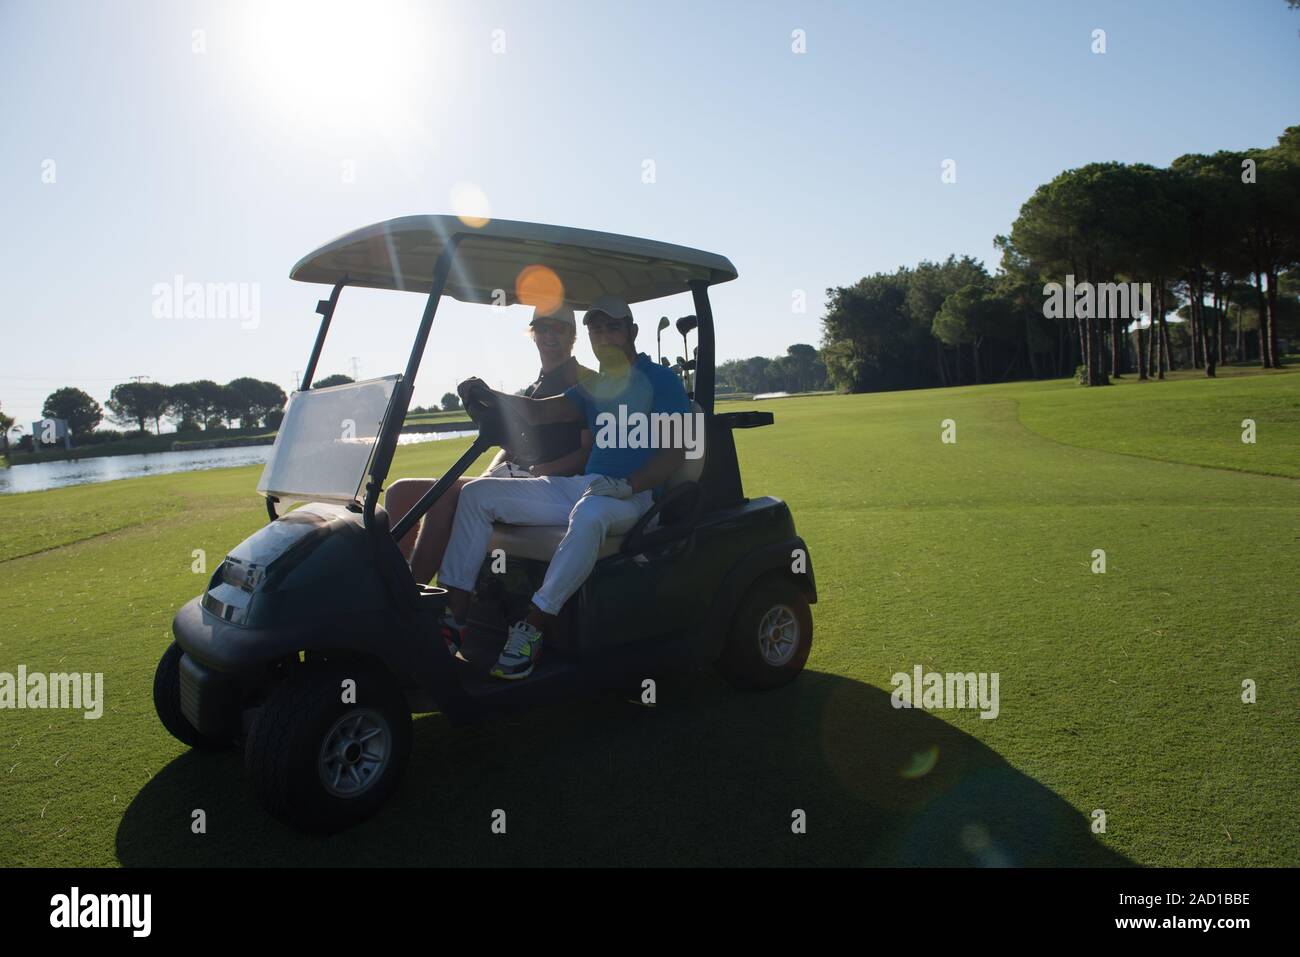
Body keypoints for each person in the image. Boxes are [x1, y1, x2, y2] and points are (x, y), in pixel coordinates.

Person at [438, 294, 691, 680]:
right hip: (588, 487)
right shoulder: (597, 386)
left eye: (613, 327)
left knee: (588, 513)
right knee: (476, 495)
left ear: (632, 332)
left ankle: (532, 627)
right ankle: (454, 618)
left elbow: (674, 453)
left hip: (635, 498)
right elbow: (541, 411)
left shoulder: (662, 381)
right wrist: (491, 396)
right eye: (596, 329)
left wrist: (628, 485)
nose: (603, 336)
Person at [384, 303, 594, 584]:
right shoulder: (536, 386)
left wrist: (543, 470)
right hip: (519, 478)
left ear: (573, 336)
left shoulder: (584, 382)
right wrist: (487, 476)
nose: (550, 335)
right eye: (543, 328)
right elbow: (512, 444)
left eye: (560, 328)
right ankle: (393, 586)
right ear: (533, 334)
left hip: (555, 485)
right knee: (401, 492)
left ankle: (411, 601)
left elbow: (586, 452)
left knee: (444, 495)